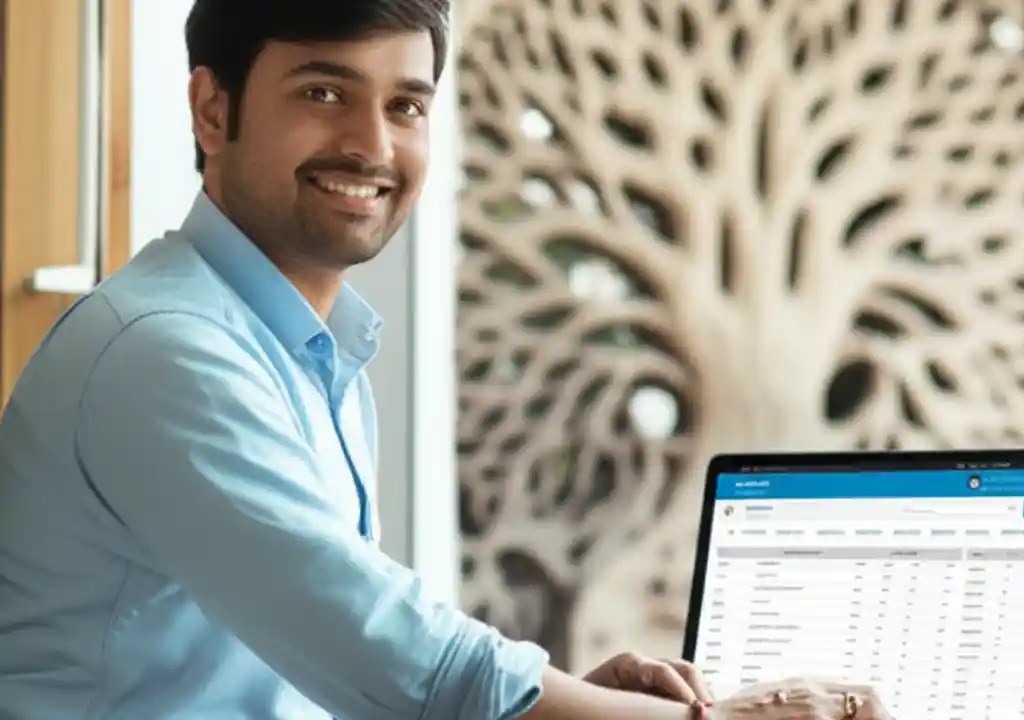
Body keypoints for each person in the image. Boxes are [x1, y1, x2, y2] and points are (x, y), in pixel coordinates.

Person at [0, 2, 892, 718]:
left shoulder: (307, 353)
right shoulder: (165, 351)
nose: (373, 145)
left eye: (407, 105)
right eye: (323, 93)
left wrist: (585, 700)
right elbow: (400, 659)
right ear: (213, 108)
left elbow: (361, 668)